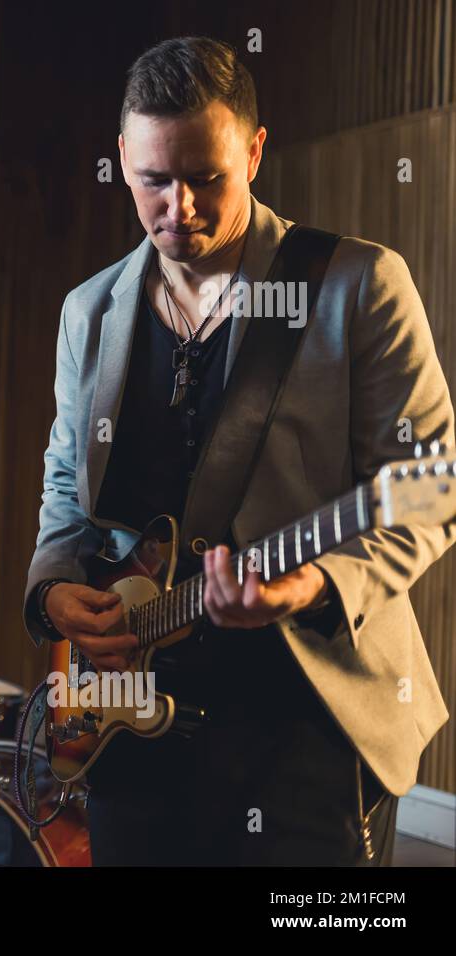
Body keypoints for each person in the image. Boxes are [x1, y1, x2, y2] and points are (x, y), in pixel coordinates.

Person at [23, 37, 454, 865]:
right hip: (133, 721)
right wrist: (50, 595)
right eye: (153, 179)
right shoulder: (90, 309)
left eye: (208, 177)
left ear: (255, 151)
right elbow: (65, 485)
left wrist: (317, 581)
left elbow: (430, 490)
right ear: (121, 159)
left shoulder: (358, 284)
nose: (179, 206)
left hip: (303, 721)